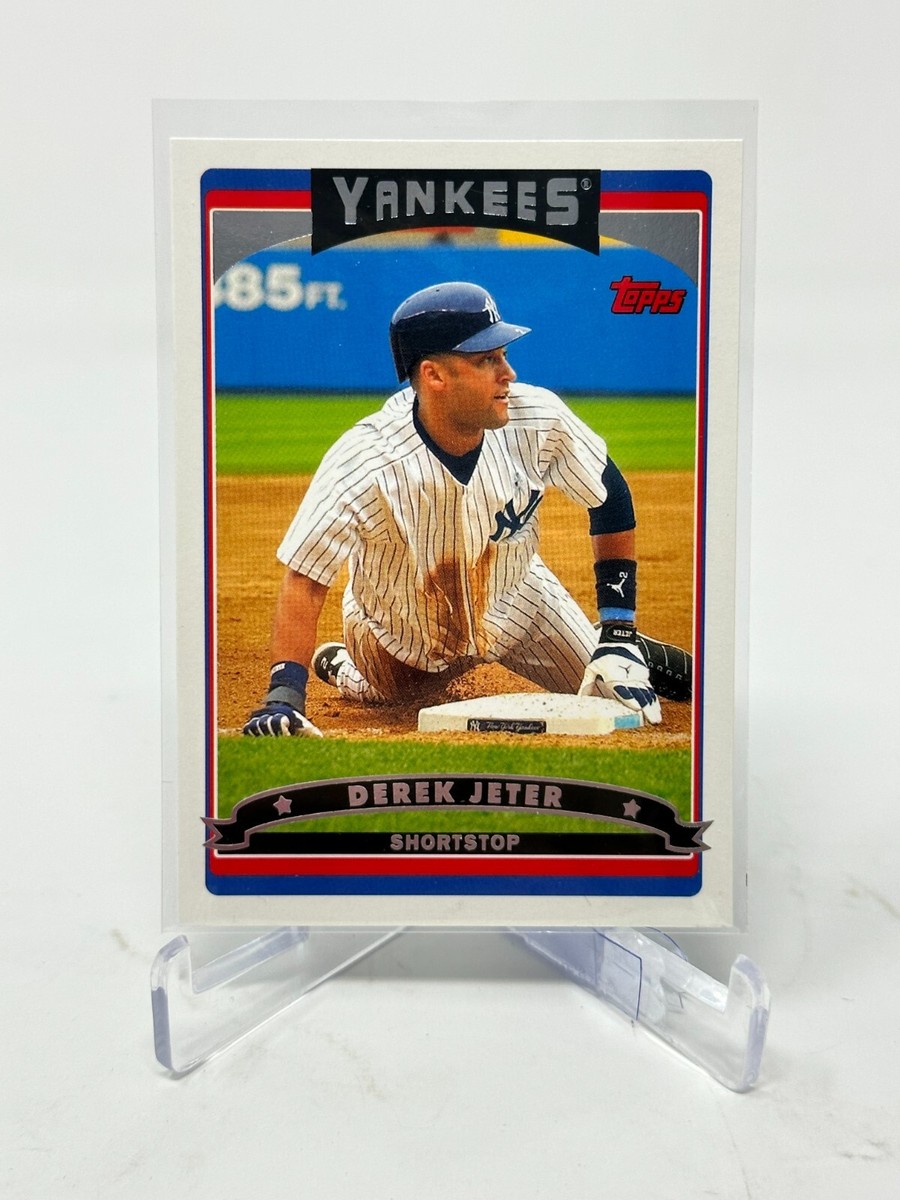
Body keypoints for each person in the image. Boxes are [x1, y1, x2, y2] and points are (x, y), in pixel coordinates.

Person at [243, 281, 691, 738]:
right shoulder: (366, 462)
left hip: (520, 602)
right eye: (487, 360)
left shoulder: (537, 418)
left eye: (503, 355)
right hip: (400, 633)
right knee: (393, 700)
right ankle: (343, 668)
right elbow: (306, 578)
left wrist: (618, 630)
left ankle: (621, 645)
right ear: (434, 375)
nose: (508, 373)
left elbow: (609, 494)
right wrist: (283, 696)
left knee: (615, 695)